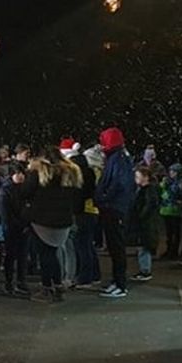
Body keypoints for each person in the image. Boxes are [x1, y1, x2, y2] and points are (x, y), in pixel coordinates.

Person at [25, 147, 80, 303]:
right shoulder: (71, 174)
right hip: (63, 220)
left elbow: (26, 192)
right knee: (54, 253)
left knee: (45, 255)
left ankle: (46, 288)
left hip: (41, 220)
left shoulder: (39, 173)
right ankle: (57, 286)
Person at [95, 127, 137, 299]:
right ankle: (117, 282)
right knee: (114, 248)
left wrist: (103, 198)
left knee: (117, 248)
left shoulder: (118, 159)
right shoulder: (118, 157)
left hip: (115, 209)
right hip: (113, 208)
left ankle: (120, 285)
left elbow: (118, 184)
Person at [63, 138, 101, 288]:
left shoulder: (80, 176)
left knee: (82, 245)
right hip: (92, 210)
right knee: (88, 245)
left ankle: (85, 278)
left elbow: (78, 196)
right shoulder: (91, 172)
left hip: (83, 212)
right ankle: (94, 275)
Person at [0, 162, 30, 295]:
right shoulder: (5, 191)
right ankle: (9, 281)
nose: (21, 176)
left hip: (22, 226)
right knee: (10, 256)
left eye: (22, 173)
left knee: (22, 256)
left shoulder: (24, 189)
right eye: (18, 173)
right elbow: (5, 213)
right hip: (11, 227)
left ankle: (21, 281)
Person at [129, 166, 161, 282]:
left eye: (138, 176)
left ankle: (145, 271)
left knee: (144, 247)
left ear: (145, 177)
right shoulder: (144, 189)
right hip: (145, 223)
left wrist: (140, 217)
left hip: (146, 224)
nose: (135, 178)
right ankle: (144, 270)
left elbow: (149, 206)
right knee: (142, 247)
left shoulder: (149, 190)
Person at [159, 163, 182, 261]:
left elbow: (180, 195)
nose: (171, 173)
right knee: (169, 233)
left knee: (175, 232)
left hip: (175, 210)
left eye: (173, 171)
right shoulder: (167, 181)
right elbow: (161, 190)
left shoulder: (180, 183)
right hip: (166, 209)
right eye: (170, 171)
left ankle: (174, 252)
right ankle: (169, 250)